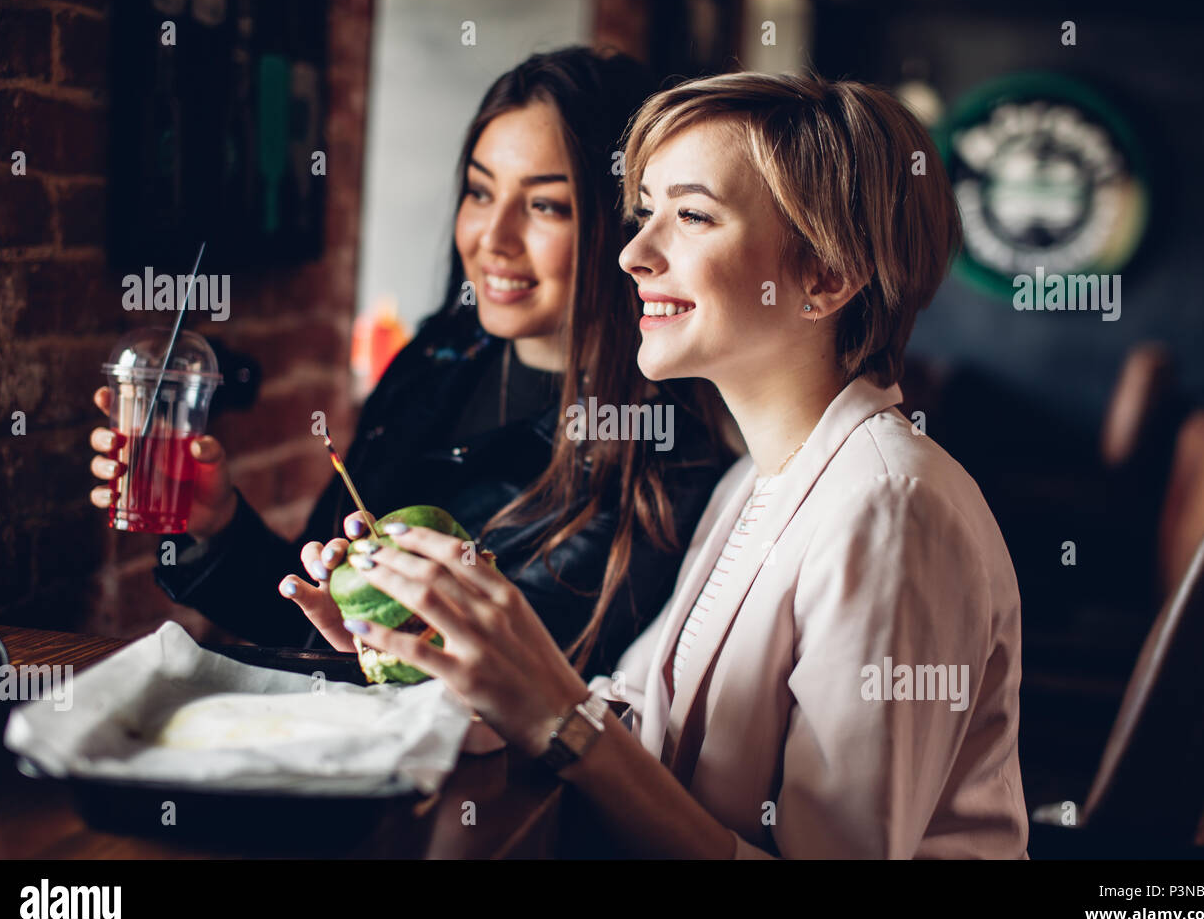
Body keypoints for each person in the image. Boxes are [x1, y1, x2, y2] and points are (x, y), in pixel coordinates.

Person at [323, 72, 1029, 859]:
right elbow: (637, 729)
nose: (632, 254)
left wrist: (560, 714)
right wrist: (444, 659)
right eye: (645, 211)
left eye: (692, 216)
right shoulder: (753, 478)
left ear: (826, 276)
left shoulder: (891, 509)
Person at [88, 47, 732, 681]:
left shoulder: (653, 448)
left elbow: (509, 692)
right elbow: (317, 624)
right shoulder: (436, 358)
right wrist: (216, 524)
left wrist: (379, 646)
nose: (493, 238)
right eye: (480, 193)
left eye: (546, 205)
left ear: (626, 224)